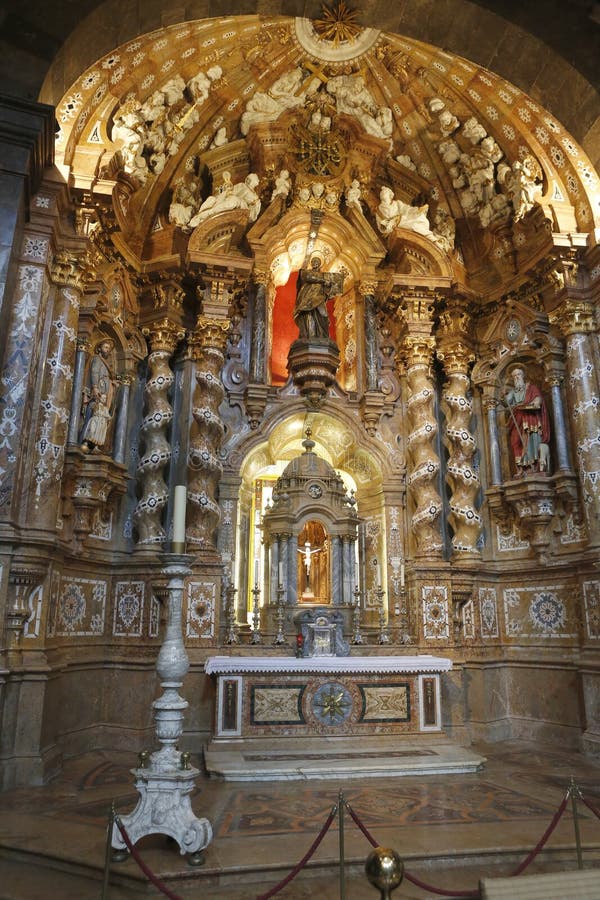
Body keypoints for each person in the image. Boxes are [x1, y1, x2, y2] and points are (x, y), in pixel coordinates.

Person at [503, 367, 550, 476]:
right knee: (516, 442)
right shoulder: (513, 392)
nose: (516, 377)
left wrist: (535, 402)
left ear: (523, 376)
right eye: (514, 376)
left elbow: (538, 399)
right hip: (517, 418)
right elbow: (506, 403)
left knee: (531, 440)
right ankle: (520, 468)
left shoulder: (531, 388)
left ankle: (534, 466)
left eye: (518, 375)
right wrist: (504, 395)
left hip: (530, 418)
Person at [293, 257, 343, 340]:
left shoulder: (324, 275)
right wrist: (323, 281)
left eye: (316, 261)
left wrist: (329, 285)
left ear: (319, 264)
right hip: (308, 297)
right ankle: (309, 335)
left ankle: (323, 336)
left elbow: (330, 290)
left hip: (319, 297)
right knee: (308, 315)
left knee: (324, 316)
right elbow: (308, 277)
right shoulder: (307, 272)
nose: (314, 262)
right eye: (313, 261)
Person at [80, 339, 116, 453]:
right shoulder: (96, 359)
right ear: (99, 348)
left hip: (104, 395)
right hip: (98, 394)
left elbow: (106, 378)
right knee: (93, 419)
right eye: (106, 347)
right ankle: (85, 442)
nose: (108, 350)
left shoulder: (105, 363)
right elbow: (94, 372)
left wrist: (111, 383)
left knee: (101, 421)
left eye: (109, 349)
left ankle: (95, 444)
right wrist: (95, 387)